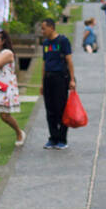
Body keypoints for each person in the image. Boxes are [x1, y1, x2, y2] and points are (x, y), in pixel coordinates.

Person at [39, 18, 76, 149]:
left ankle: (62, 138)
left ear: (51, 27)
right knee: (50, 110)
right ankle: (53, 138)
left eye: (44, 28)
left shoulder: (63, 41)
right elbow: (44, 63)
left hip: (60, 78)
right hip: (48, 78)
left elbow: (69, 61)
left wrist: (72, 79)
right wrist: (42, 82)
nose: (42, 31)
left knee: (61, 108)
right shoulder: (45, 44)